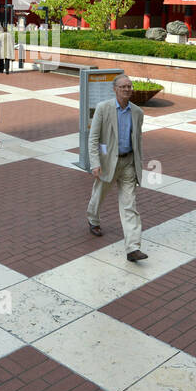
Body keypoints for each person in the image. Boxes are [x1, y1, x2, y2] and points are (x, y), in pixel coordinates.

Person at [86, 75, 147, 262]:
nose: (127, 89)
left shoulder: (137, 112)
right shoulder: (103, 109)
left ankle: (133, 248)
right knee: (99, 194)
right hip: (107, 163)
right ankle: (93, 218)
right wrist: (95, 163)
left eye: (129, 86)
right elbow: (94, 138)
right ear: (115, 89)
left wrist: (139, 165)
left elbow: (137, 140)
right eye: (123, 86)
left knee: (130, 205)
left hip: (128, 162)